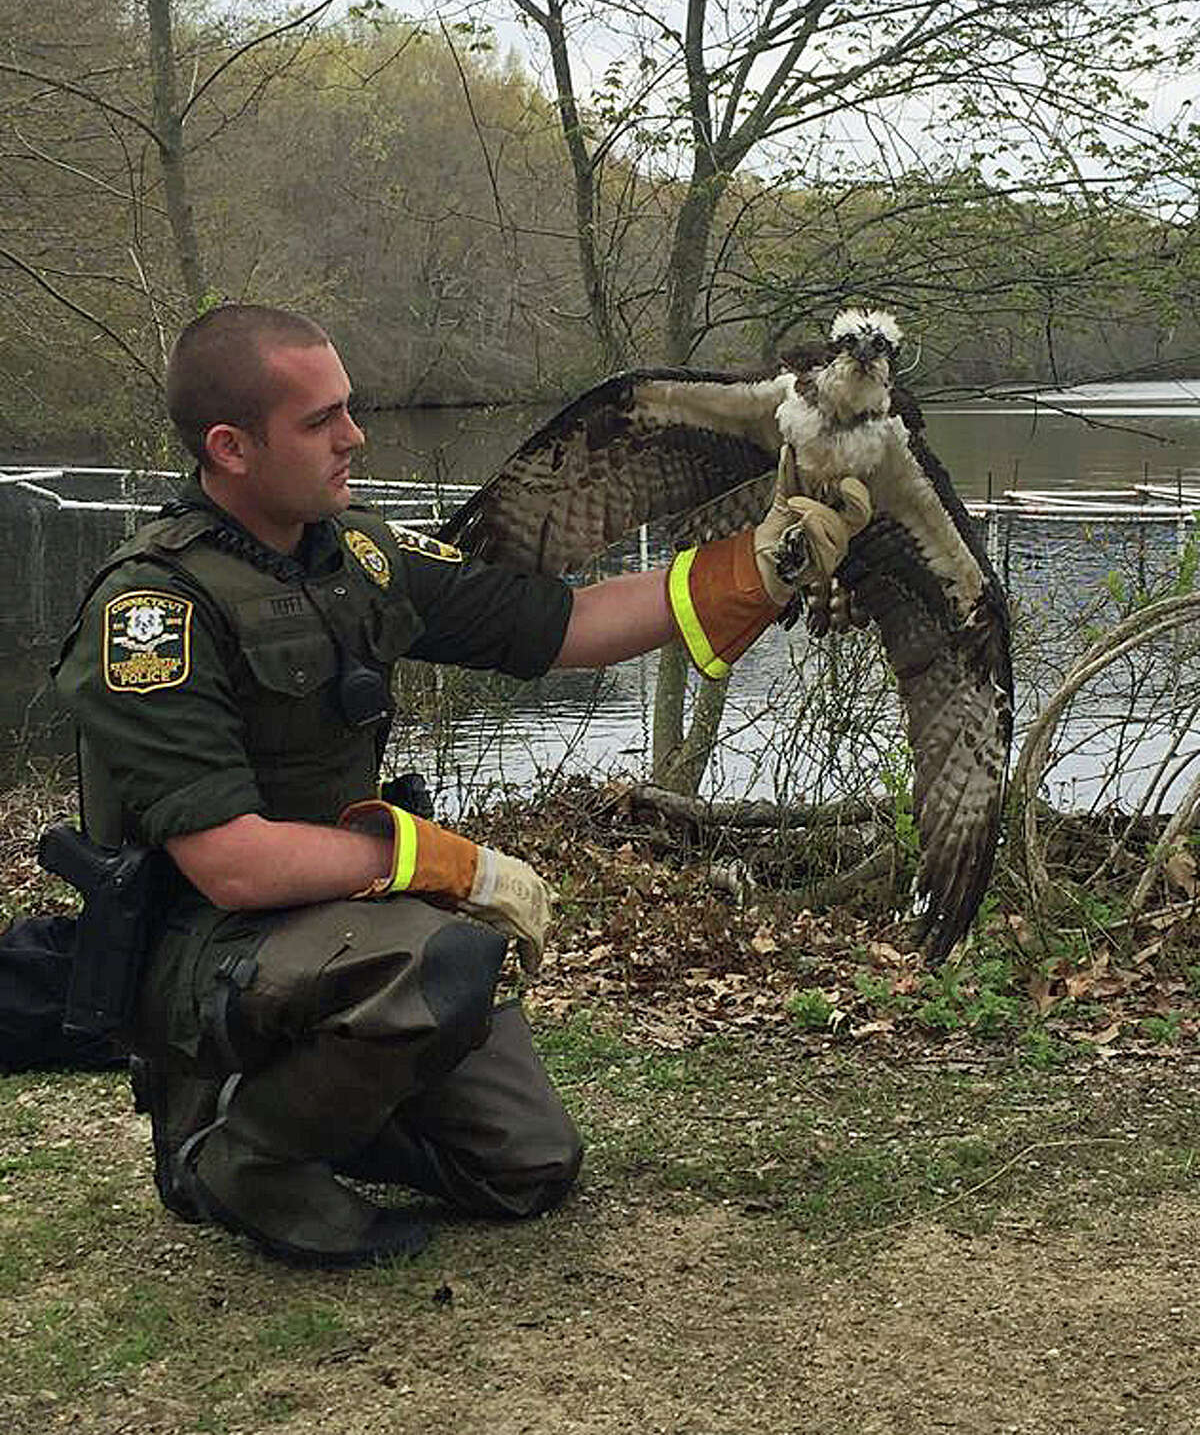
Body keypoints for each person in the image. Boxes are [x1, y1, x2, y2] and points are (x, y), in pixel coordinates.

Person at [53, 305, 869, 1267]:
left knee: (527, 1165)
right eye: (320, 422)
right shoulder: (154, 609)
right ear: (230, 448)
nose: (354, 435)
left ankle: (285, 1106)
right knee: (441, 959)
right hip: (203, 948)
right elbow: (231, 864)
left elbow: (559, 626)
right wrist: (448, 865)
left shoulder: (356, 553)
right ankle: (240, 1158)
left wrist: (758, 570)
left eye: (348, 409)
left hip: (341, 921)